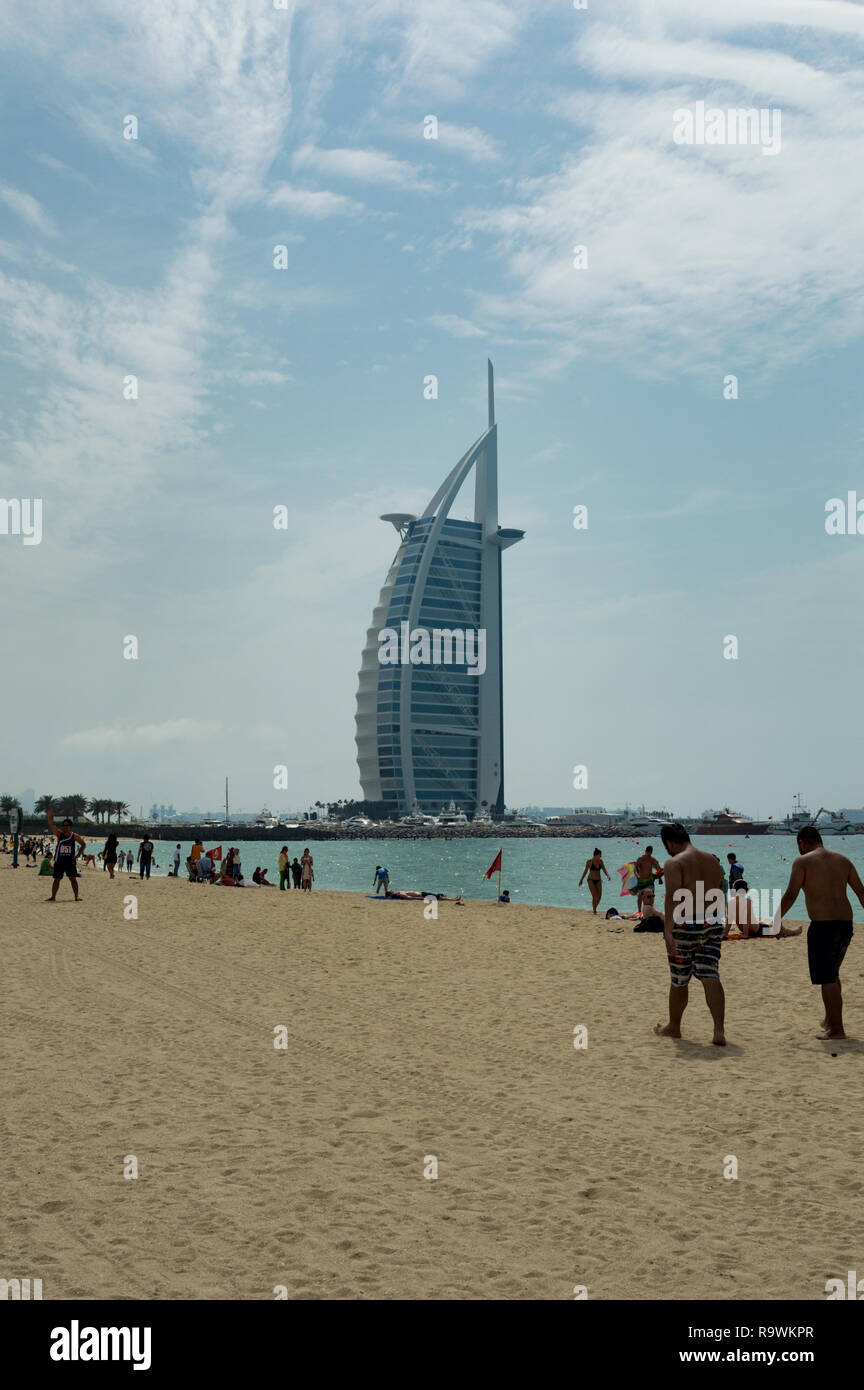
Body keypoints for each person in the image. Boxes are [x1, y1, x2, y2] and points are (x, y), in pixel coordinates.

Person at [779, 826, 864, 1040]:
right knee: (832, 973)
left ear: (802, 842)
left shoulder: (803, 862)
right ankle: (830, 1019)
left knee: (827, 978)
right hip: (845, 924)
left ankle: (836, 1029)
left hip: (823, 926)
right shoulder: (843, 860)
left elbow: (791, 894)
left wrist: (775, 919)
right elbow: (861, 892)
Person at [654, 824, 726, 1046]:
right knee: (710, 974)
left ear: (669, 843)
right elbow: (719, 890)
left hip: (684, 925)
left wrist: (668, 930)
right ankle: (719, 1030)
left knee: (679, 978)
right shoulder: (712, 860)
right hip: (711, 922)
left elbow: (673, 898)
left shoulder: (675, 863)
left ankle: (674, 1027)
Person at [44, 805, 87, 902]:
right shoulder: (59, 834)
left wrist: (78, 855)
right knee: (56, 879)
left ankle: (76, 897)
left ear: (70, 827)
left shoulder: (74, 836)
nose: (65, 827)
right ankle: (53, 897)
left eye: (67, 826)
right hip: (59, 861)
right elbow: (52, 826)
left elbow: (83, 844)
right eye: (64, 826)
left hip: (70, 861)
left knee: (73, 879)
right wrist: (49, 817)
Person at [578, 847, 610, 914]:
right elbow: (585, 871)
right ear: (596, 855)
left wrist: (607, 875)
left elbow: (604, 869)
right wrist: (581, 880)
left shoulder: (600, 862)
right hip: (591, 880)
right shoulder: (589, 862)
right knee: (594, 896)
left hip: (598, 880)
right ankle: (594, 910)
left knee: (599, 896)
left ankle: (594, 907)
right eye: (600, 855)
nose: (601, 856)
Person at [634, 844, 663, 909]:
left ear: (651, 852)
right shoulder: (640, 859)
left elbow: (658, 869)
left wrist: (657, 865)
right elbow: (635, 868)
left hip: (649, 880)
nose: (649, 854)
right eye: (648, 852)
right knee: (640, 897)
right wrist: (637, 875)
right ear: (646, 851)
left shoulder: (652, 859)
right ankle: (639, 911)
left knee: (651, 896)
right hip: (641, 880)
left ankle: (650, 909)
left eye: (650, 853)